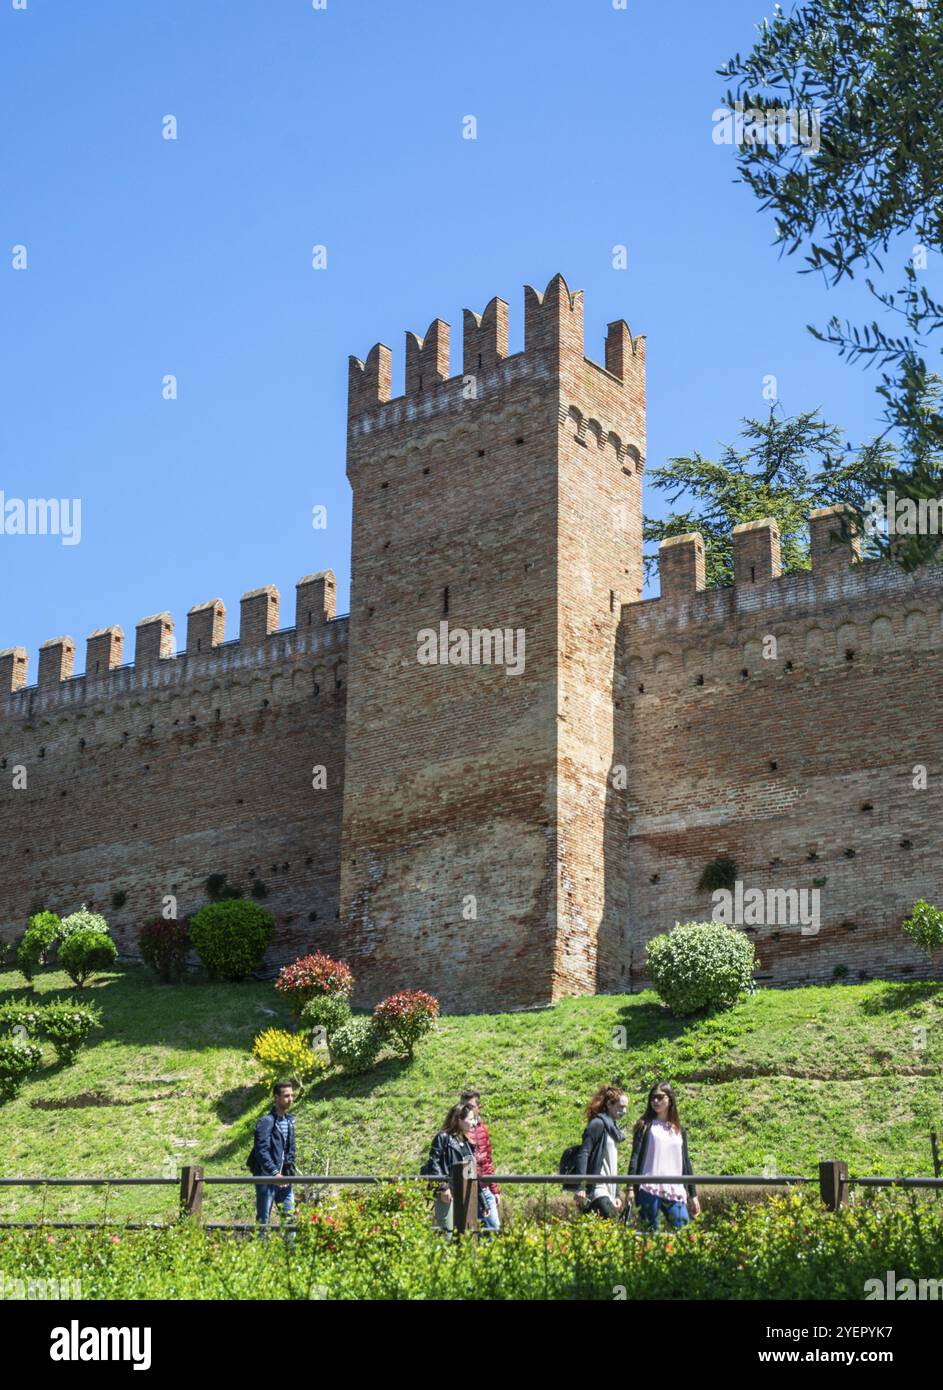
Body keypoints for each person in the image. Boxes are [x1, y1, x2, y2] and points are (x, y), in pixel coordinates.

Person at [629, 1080, 700, 1231]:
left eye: (660, 1097)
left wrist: (693, 1194)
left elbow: (685, 1163)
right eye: (653, 1097)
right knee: (649, 1236)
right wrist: (630, 1186)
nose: (655, 1101)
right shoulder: (645, 1126)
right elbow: (635, 1157)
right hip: (649, 1187)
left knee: (684, 1234)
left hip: (675, 1189)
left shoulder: (679, 1130)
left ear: (670, 1099)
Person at [424, 1102, 486, 1234]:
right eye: (470, 1119)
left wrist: (483, 1201)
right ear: (459, 1120)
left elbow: (472, 1173)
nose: (474, 1123)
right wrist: (443, 1187)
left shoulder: (467, 1144)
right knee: (447, 1235)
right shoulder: (443, 1137)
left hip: (464, 1197)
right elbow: (433, 1163)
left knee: (464, 1237)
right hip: (447, 1195)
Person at [572, 1084, 629, 1219]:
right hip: (597, 1190)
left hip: (609, 1190)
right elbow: (583, 1153)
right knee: (616, 1228)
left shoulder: (612, 1129)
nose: (624, 1111)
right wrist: (580, 1186)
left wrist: (616, 1194)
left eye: (626, 1107)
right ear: (609, 1104)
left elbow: (612, 1164)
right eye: (621, 1106)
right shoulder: (597, 1124)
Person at [250, 1080, 297, 1238]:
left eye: (291, 1095)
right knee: (263, 1220)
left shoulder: (289, 1122)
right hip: (267, 1177)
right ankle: (260, 1254)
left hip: (284, 1178)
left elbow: (290, 1151)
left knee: (289, 1218)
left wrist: (287, 1174)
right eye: (286, 1096)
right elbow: (261, 1151)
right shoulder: (266, 1122)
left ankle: (292, 1255)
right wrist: (274, 1173)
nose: (290, 1099)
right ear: (276, 1097)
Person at [460, 1087, 501, 1233]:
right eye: (463, 1105)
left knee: (495, 1229)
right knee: (472, 1234)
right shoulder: (458, 1131)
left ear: (478, 1107)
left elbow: (487, 1161)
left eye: (470, 1106)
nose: (465, 1109)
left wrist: (495, 1189)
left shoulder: (483, 1129)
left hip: (484, 1187)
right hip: (467, 1189)